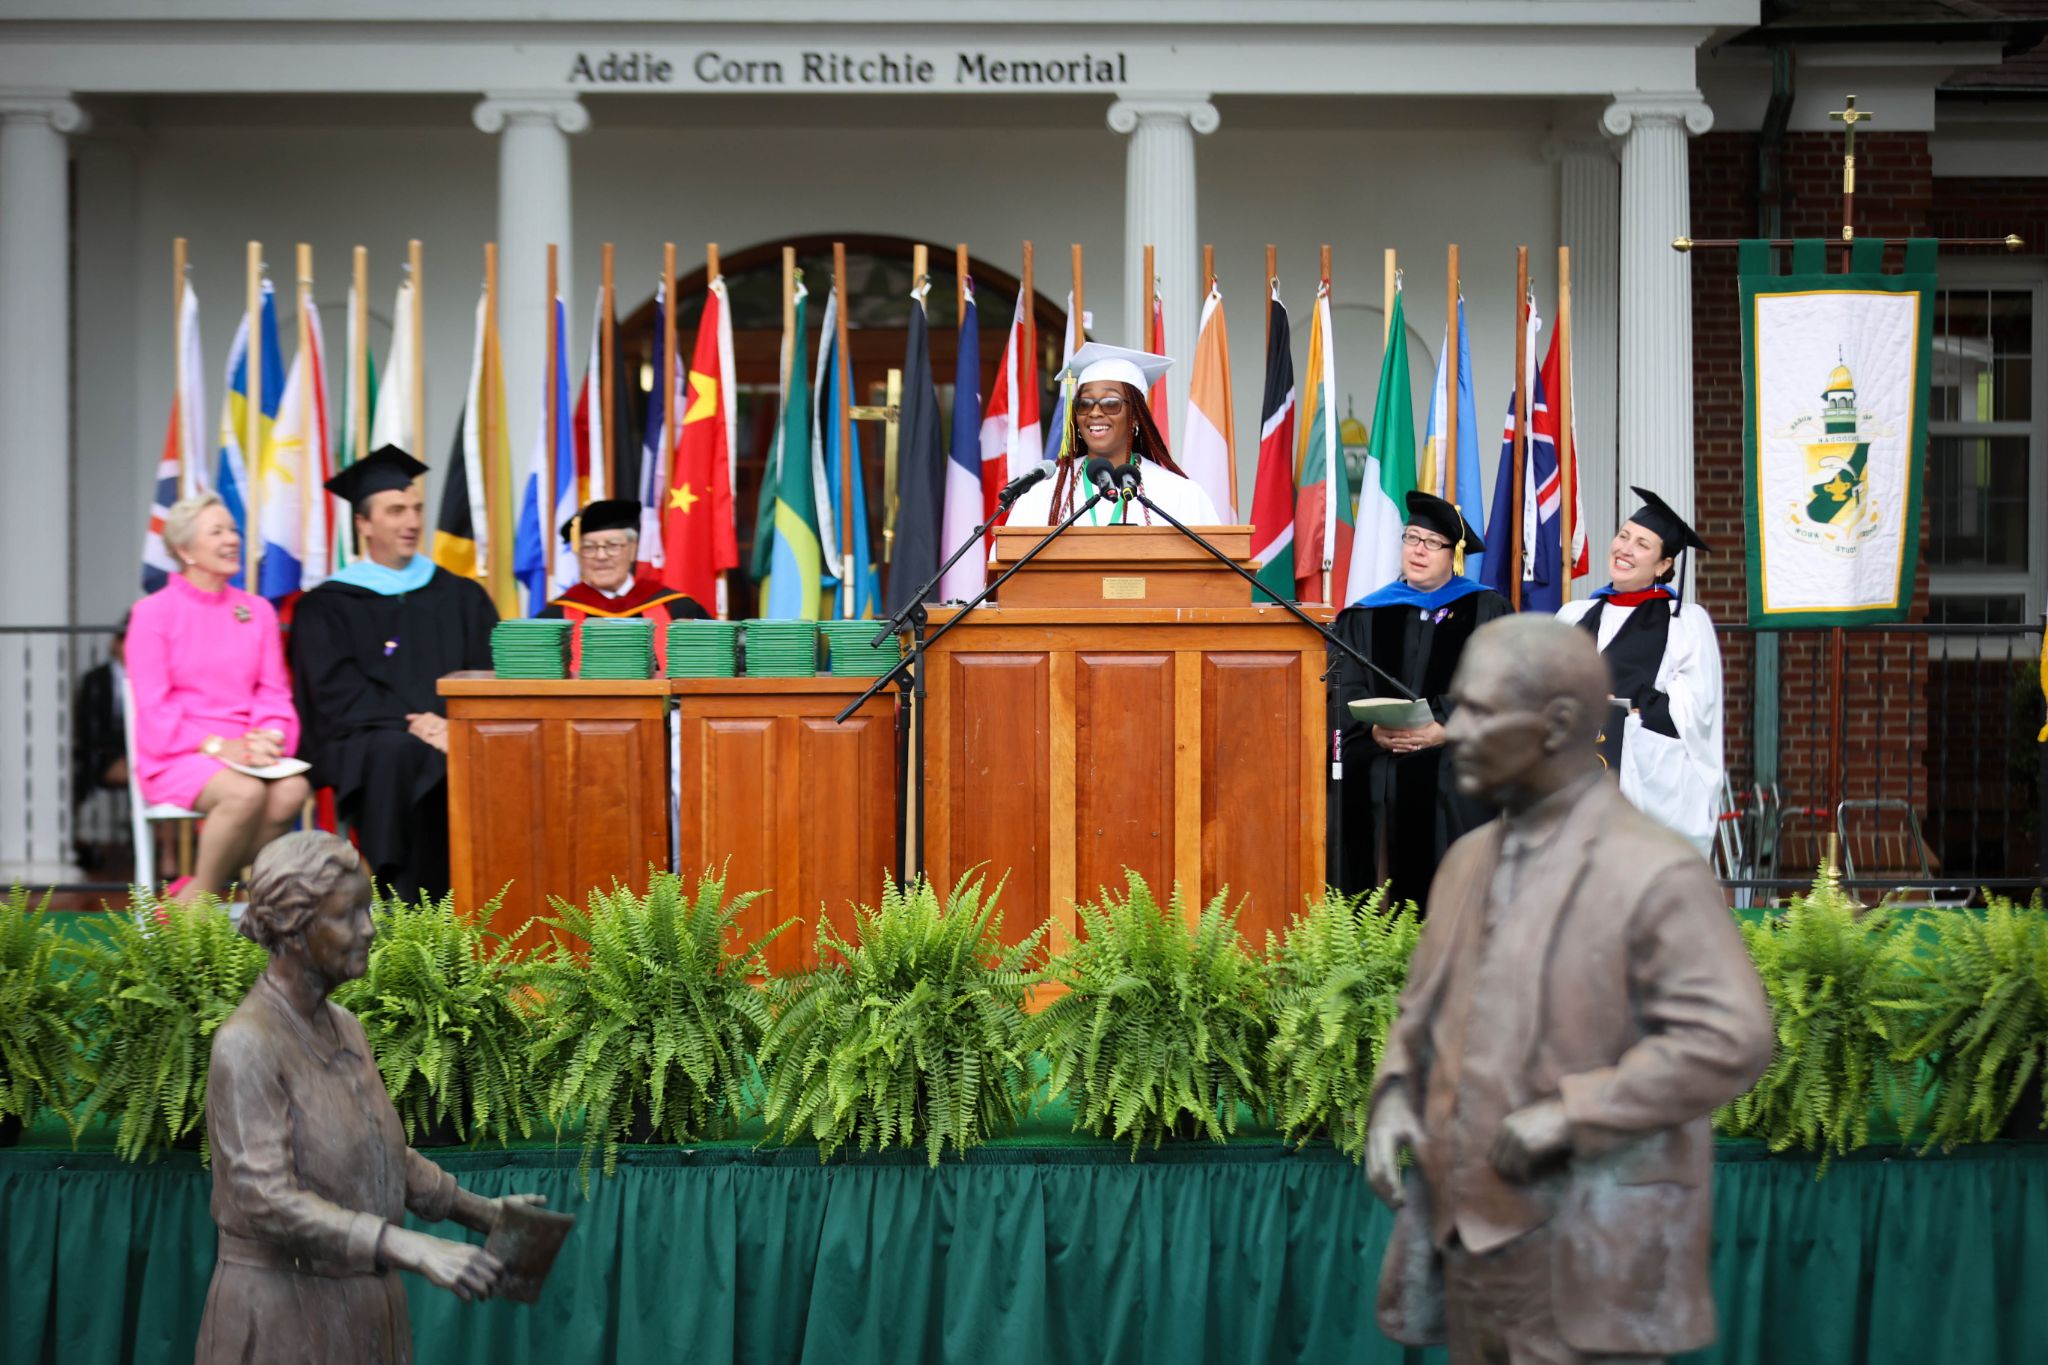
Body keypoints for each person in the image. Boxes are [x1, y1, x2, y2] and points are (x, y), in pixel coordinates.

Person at [1365, 615, 1772, 1365]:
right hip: (1468, 1248)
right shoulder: (1464, 860)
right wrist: (1394, 1096)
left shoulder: (1653, 868)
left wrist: (1577, 1113)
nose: (1457, 732)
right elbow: (1419, 1013)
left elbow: (1732, 1036)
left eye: (1481, 712)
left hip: (1589, 1253)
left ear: (1555, 725)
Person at [197, 831, 544, 1363]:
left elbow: (376, 1148)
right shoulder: (247, 1044)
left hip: (364, 1313)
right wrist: (407, 1246)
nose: (370, 929)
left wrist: (484, 1213)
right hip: (281, 1323)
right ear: (294, 930)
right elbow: (264, 1200)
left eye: (368, 910)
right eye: (348, 915)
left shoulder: (347, 1027)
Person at [290, 447, 497, 902]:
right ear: (363, 524)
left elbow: (486, 670)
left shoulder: (461, 596)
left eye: (417, 509)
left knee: (483, 751)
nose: (412, 521)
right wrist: (419, 724)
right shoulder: (328, 605)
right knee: (398, 754)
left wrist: (452, 723)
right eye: (396, 510)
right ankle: (408, 906)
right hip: (370, 737)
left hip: (453, 730)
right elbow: (332, 691)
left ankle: (488, 898)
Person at [1327, 492, 1510, 909]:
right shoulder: (1365, 614)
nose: (1419, 550)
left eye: (1432, 542)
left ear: (1453, 555)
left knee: (1450, 784)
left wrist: (1444, 728)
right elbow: (1343, 689)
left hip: (1453, 753)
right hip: (1376, 755)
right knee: (1365, 789)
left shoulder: (1485, 609)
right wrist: (1373, 730)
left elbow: (1500, 685)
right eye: (1411, 538)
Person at [125, 492, 309, 900]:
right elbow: (154, 707)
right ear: (185, 550)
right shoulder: (153, 613)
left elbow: (273, 692)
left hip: (246, 751)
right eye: (217, 531)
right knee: (244, 793)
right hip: (178, 753)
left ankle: (190, 896)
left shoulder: (256, 610)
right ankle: (202, 904)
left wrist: (270, 736)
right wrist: (218, 745)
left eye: (233, 529)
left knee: (293, 790)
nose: (232, 539)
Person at [1555, 486, 1724, 857]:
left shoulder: (1685, 622)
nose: (1625, 549)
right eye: (1623, 536)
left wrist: (1633, 707)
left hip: (1641, 775)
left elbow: (1696, 705)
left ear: (1664, 565)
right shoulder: (1573, 615)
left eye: (1642, 545)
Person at [1006, 342, 1222, 527]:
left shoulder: (1180, 494)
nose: (1095, 412)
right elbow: (1006, 567)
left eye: (1111, 404)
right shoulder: (1043, 494)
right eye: (1084, 404)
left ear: (1136, 416)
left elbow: (1216, 572)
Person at [541, 497, 708, 673]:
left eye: (612, 545)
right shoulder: (555, 618)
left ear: (632, 549)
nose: (601, 556)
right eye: (589, 548)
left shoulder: (677, 608)